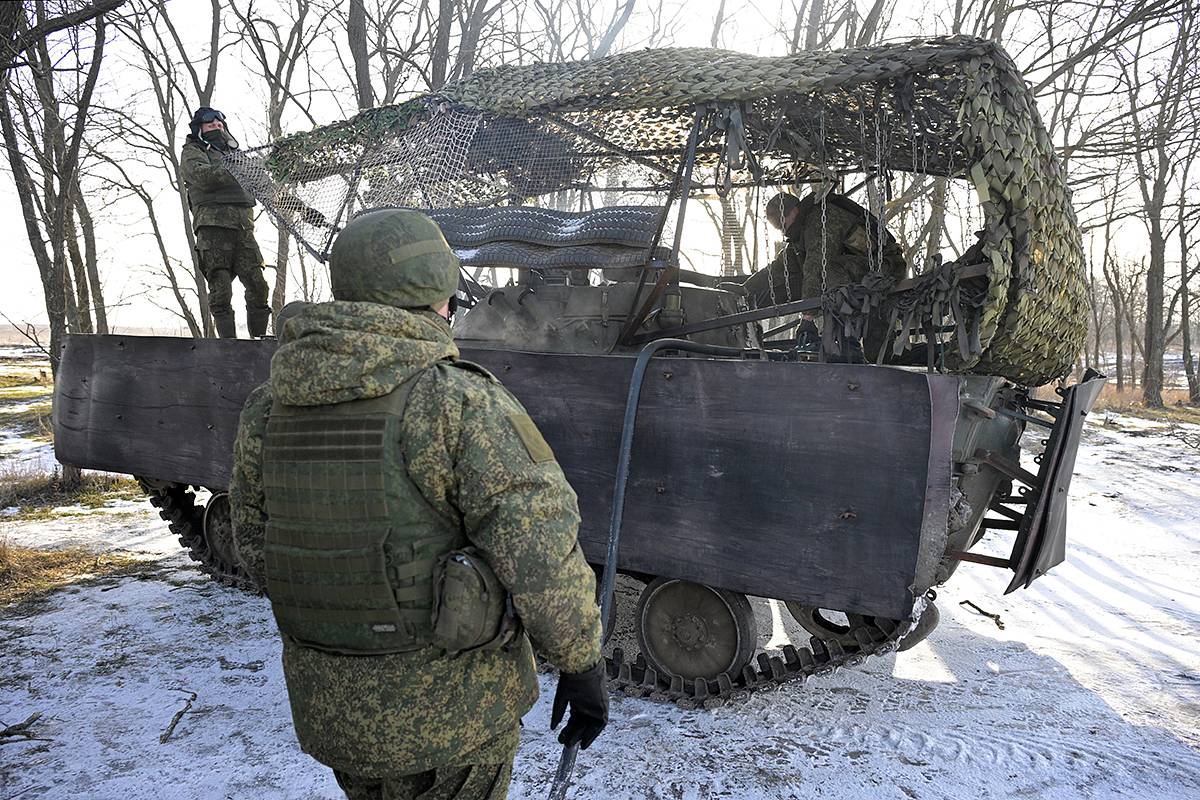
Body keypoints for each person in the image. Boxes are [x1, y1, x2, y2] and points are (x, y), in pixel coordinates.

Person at [229, 208, 607, 800]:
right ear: (437, 295)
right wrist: (581, 662)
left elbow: (256, 550)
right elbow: (538, 551)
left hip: (335, 713)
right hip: (451, 719)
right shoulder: (455, 400)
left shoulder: (270, 407)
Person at [742, 187, 906, 355]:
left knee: (828, 269)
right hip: (862, 271)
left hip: (884, 268)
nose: (782, 229)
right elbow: (779, 267)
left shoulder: (821, 219)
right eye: (777, 226)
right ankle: (848, 340)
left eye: (781, 221)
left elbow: (817, 264)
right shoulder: (801, 232)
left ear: (794, 211)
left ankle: (847, 337)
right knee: (880, 355)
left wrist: (807, 317)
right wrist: (745, 289)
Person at [180, 106, 271, 338]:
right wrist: (235, 169)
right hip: (212, 229)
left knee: (258, 286)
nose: (216, 127)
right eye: (210, 125)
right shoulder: (193, 151)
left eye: (220, 125)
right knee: (220, 289)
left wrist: (301, 209)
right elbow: (203, 177)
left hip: (243, 230)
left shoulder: (238, 158)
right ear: (199, 129)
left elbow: (267, 188)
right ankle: (227, 345)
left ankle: (258, 342)